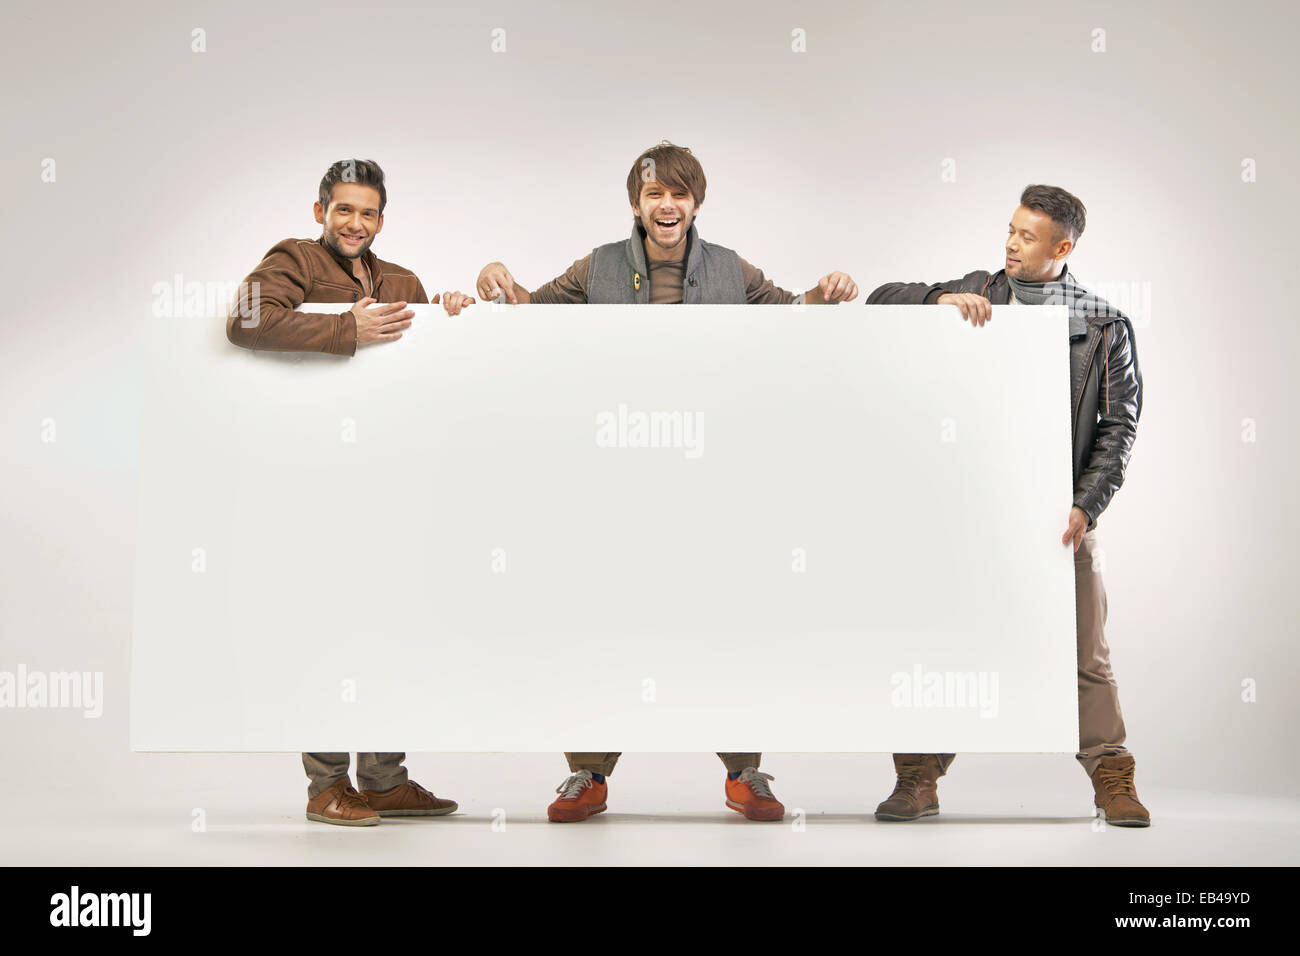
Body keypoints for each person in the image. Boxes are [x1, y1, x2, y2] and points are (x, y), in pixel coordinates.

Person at [475, 141, 859, 823]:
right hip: (613, 477)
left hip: (712, 480)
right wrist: (497, 281)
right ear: (636, 204)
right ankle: (587, 775)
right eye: (654, 194)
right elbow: (527, 319)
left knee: (724, 619)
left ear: (695, 203)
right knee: (603, 619)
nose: (667, 204)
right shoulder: (594, 268)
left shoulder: (730, 270)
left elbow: (790, 320)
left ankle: (745, 772)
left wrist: (823, 297)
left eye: (679, 193)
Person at [866, 184, 1149, 827]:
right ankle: (918, 779)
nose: (1011, 244)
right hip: (965, 511)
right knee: (942, 642)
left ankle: (1112, 777)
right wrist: (938, 301)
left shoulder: (1103, 323)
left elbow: (1119, 426)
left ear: (1063, 247)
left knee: (1084, 651)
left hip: (1058, 517)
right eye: (1010, 230)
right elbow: (879, 300)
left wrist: (1086, 506)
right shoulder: (981, 288)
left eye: (1026, 236)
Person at [226, 158, 470, 825]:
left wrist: (453, 314)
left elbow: (432, 366)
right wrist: (344, 330)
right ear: (320, 213)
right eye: (343, 210)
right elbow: (245, 320)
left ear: (381, 220)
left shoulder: (401, 280)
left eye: (367, 213)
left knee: (393, 622)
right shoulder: (295, 260)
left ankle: (385, 780)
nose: (354, 223)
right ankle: (327, 786)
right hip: (319, 477)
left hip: (394, 479)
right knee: (327, 623)